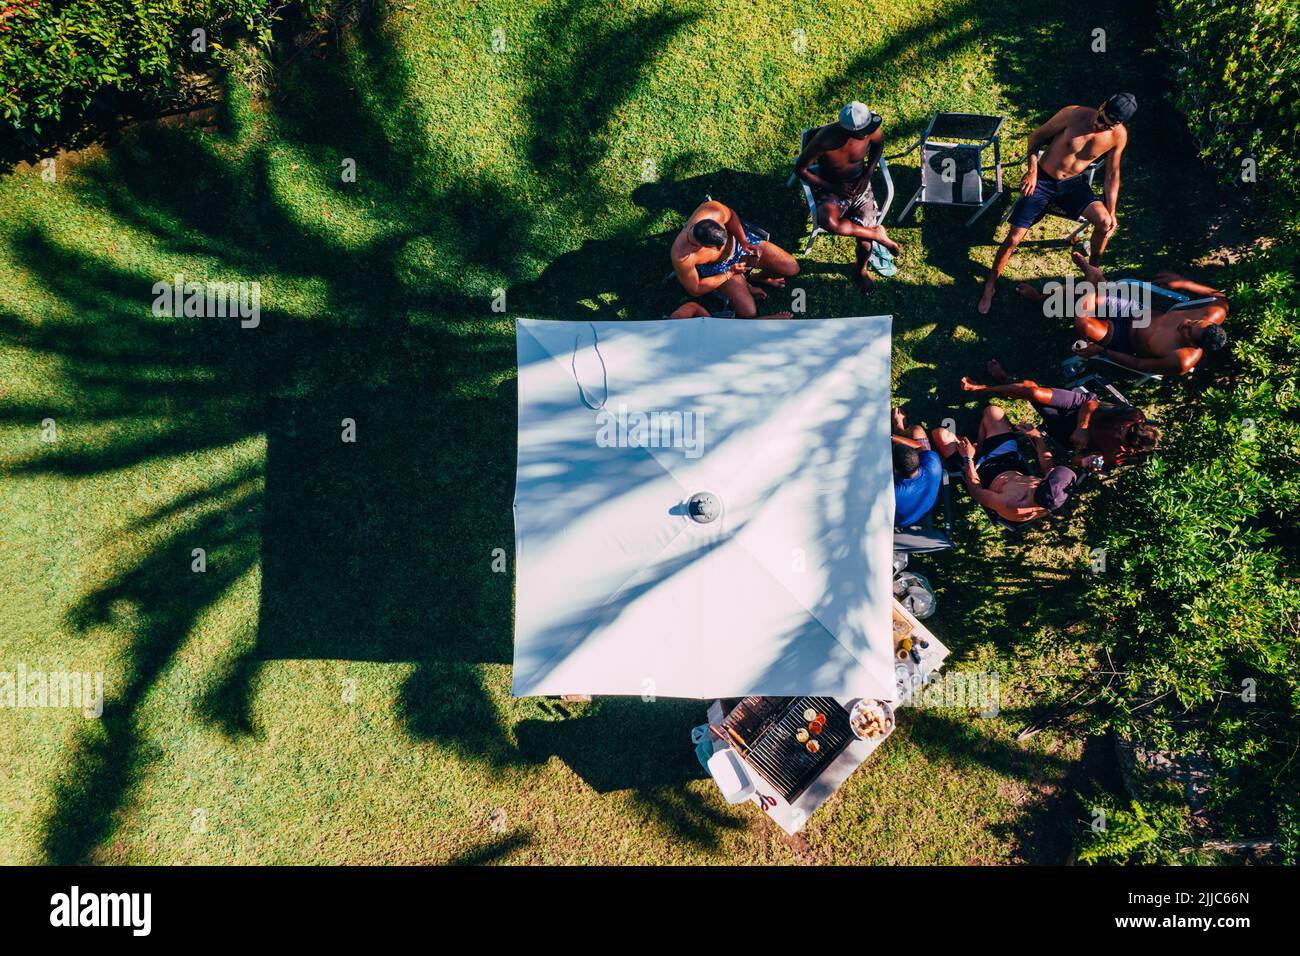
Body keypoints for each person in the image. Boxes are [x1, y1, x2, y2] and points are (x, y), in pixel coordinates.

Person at [977, 93, 1136, 314]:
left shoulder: (1118, 136)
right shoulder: (1073, 114)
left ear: (1118, 124)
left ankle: (1093, 271)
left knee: (1105, 222)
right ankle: (990, 284)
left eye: (1107, 126)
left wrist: (1112, 210)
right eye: (1101, 119)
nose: (1100, 126)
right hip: (1042, 180)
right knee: (1013, 238)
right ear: (1101, 105)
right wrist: (1032, 171)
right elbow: (1035, 138)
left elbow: (1112, 175)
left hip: (1072, 186)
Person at [959, 359, 1161, 470]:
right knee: (1033, 392)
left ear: (1130, 448)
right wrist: (1083, 428)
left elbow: (1074, 459)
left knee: (1029, 388)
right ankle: (983, 388)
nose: (1119, 431)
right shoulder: (1133, 416)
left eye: (1122, 437)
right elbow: (1091, 403)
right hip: (1080, 408)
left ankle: (1007, 381)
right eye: (1123, 429)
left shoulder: (1115, 457)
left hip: (1065, 432)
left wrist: (1083, 461)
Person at [794, 101, 901, 294]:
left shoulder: (871, 130)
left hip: (861, 187)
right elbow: (800, 169)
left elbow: (878, 146)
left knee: (864, 243)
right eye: (863, 132)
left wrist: (868, 173)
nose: (868, 133)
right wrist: (833, 187)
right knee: (828, 221)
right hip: (833, 188)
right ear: (848, 131)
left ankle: (861, 270)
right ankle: (876, 233)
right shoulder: (825, 141)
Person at [1070, 255, 1228, 376]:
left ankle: (1095, 281)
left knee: (1084, 325)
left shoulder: (1180, 361)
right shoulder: (1214, 312)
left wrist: (1103, 352)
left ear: (1193, 345)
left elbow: (1139, 364)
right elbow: (1221, 297)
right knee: (1095, 299)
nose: (1186, 322)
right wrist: (1184, 283)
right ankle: (1095, 281)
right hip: (1138, 312)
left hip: (1125, 339)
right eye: (1194, 322)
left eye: (1188, 330)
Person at [930, 406, 1078, 525]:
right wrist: (1037, 437)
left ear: (1044, 484)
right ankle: (980, 447)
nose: (1051, 473)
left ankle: (973, 452)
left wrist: (968, 457)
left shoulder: (1011, 504)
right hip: (1007, 459)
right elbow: (1048, 466)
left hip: (978, 472)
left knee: (941, 433)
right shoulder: (1052, 494)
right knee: (993, 411)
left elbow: (976, 491)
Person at [670, 199, 799, 318]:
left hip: (740, 244)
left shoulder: (711, 210)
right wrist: (730, 273)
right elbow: (696, 289)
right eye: (718, 247)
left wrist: (744, 242)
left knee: (792, 268)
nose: (723, 247)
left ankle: (758, 277)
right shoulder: (682, 256)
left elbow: (731, 216)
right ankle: (745, 284)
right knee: (749, 312)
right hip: (720, 268)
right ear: (702, 246)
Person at [891, 408, 943, 527]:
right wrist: (891, 437)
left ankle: (898, 432)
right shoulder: (932, 463)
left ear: (894, 470)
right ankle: (898, 428)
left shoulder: (893, 490)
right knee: (917, 430)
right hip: (924, 510)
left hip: (899, 520)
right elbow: (919, 446)